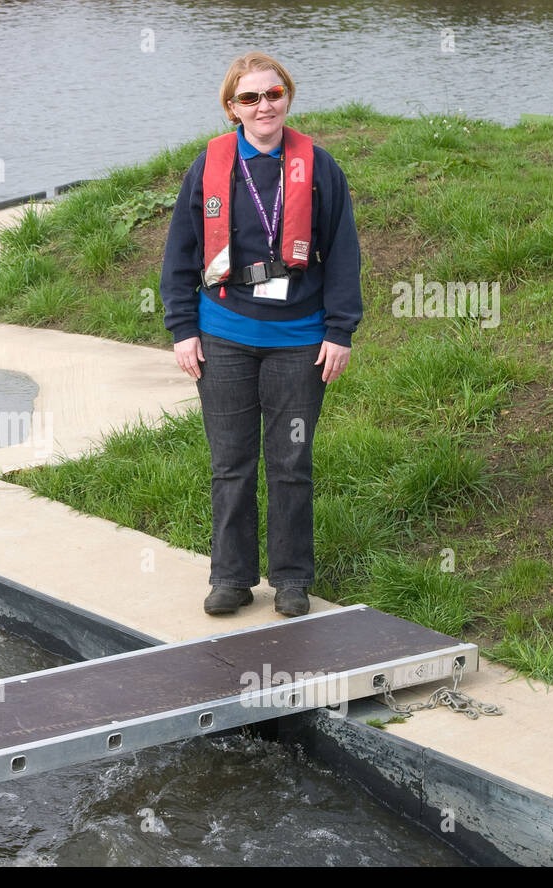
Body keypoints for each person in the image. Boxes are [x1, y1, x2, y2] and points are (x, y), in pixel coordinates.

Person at [160, 51, 362, 618]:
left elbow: (344, 255)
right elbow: (179, 252)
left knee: (291, 461)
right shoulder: (209, 167)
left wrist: (339, 330)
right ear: (232, 109)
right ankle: (231, 576)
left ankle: (292, 579)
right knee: (231, 461)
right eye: (249, 98)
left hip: (299, 337)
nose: (263, 105)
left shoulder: (320, 168)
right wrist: (183, 328)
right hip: (222, 333)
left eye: (272, 94)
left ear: (287, 97)